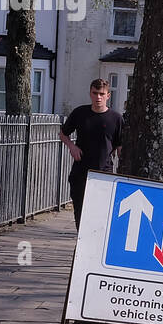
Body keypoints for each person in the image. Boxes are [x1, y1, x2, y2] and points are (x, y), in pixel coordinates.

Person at [59, 79, 123, 228]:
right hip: (80, 173)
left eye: (102, 94)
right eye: (95, 93)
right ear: (90, 93)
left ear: (108, 95)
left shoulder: (116, 119)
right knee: (80, 216)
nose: (98, 97)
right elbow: (63, 134)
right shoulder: (80, 113)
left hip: (104, 174)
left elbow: (120, 146)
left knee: (100, 217)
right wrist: (72, 147)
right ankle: (81, 249)